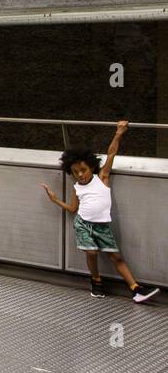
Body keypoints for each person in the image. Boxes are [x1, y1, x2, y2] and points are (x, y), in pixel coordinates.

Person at [42, 120, 160, 302]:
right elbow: (73, 209)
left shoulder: (102, 178)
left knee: (117, 257)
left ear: (91, 167)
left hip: (102, 227)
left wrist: (119, 133)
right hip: (83, 225)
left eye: (83, 170)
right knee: (91, 252)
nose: (80, 175)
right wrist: (55, 199)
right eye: (76, 172)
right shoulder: (76, 188)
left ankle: (136, 290)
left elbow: (111, 153)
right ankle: (96, 281)